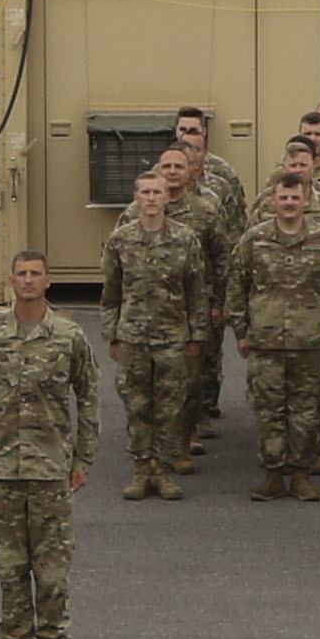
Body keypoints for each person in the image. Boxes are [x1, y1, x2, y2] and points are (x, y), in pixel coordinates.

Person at [0, 251, 97, 639]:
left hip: (50, 467)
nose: (27, 280)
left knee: (52, 569)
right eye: (21, 274)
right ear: (11, 281)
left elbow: (89, 398)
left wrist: (83, 459)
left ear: (49, 281)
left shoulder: (68, 335)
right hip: (3, 466)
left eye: (35, 274)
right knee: (10, 568)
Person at [230, 173, 320, 503]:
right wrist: (241, 331)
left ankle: (300, 474)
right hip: (265, 341)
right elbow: (237, 286)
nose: (288, 203)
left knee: (307, 411)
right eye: (283, 198)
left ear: (305, 200)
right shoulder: (254, 240)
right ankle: (272, 474)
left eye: (295, 198)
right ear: (273, 201)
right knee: (268, 410)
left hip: (310, 340)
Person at [100, 170, 212, 499]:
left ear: (167, 198)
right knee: (137, 406)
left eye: (157, 192)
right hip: (133, 336)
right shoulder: (120, 240)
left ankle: (162, 470)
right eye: (145, 192)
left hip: (173, 336)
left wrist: (196, 336)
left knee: (169, 408)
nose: (151, 198)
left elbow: (196, 292)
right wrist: (113, 335)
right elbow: (111, 292)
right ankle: (140, 470)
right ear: (136, 198)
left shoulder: (185, 239)